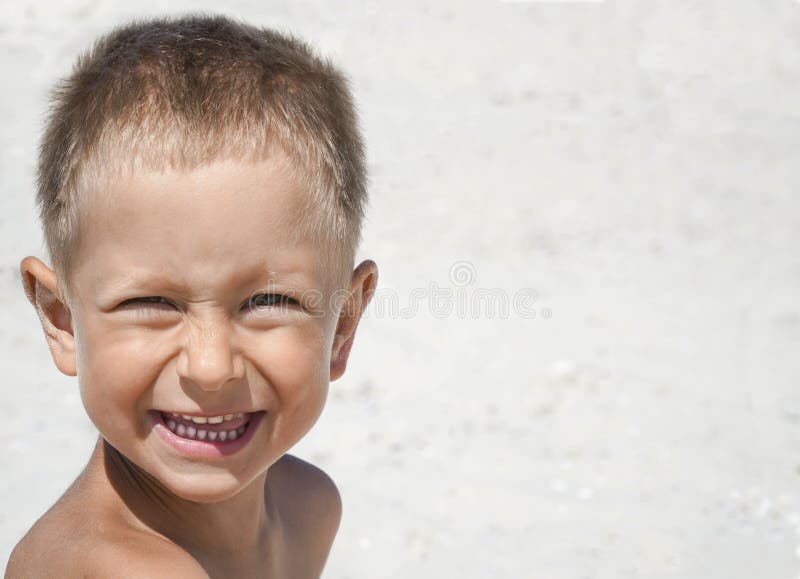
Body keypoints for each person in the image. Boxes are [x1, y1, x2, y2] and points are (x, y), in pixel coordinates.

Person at [5, 13, 377, 578]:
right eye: (149, 304)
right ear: (62, 321)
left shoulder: (309, 505)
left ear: (342, 326)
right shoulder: (107, 568)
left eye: (268, 302)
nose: (210, 368)